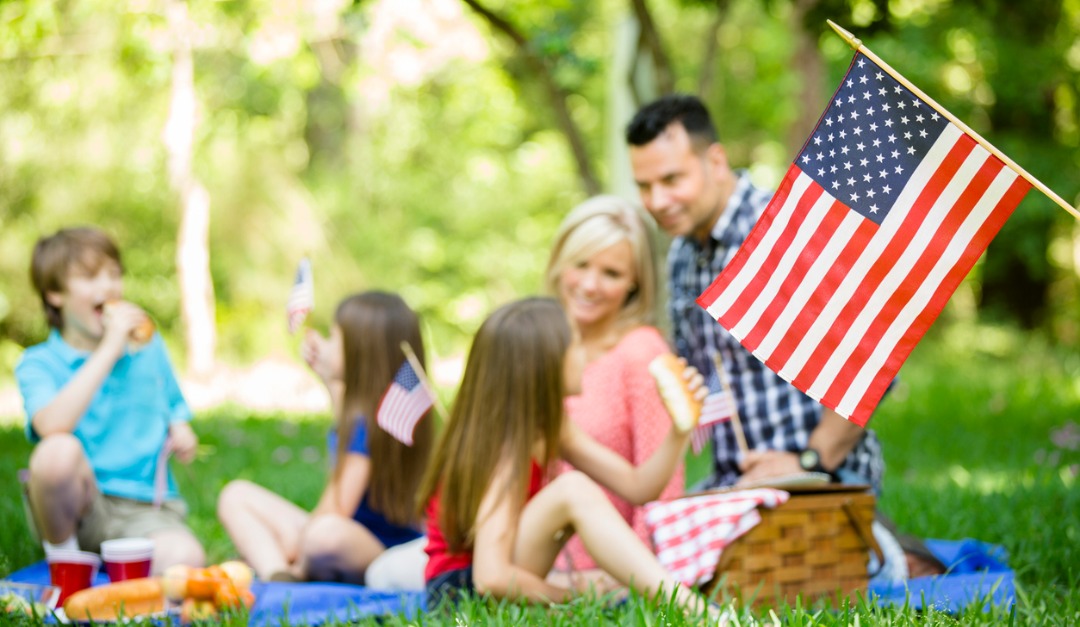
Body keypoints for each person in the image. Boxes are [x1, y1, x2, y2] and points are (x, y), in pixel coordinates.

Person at [625, 94, 884, 493]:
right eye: (645, 186)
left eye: (672, 180)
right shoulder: (681, 255)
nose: (657, 201)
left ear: (715, 161)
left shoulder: (787, 227)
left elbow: (872, 358)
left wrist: (806, 462)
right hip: (736, 483)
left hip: (825, 479)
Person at [417, 297, 716, 617]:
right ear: (544, 364)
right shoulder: (505, 446)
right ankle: (694, 610)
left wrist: (679, 431)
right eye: (575, 344)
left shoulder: (552, 427)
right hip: (459, 597)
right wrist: (574, 595)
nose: (585, 355)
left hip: (491, 578)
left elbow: (639, 486)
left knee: (576, 496)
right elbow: (490, 577)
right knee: (572, 489)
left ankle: (684, 603)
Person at [16, 227, 204, 573]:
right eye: (89, 277)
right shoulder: (39, 362)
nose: (108, 286)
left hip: (145, 510)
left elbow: (170, 400)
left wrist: (180, 426)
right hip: (77, 509)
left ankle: (121, 565)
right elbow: (51, 425)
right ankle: (67, 561)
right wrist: (109, 348)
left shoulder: (147, 346)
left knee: (186, 560)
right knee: (57, 451)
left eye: (114, 274)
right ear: (54, 294)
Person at [217, 291, 434, 583]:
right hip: (351, 533)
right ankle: (278, 574)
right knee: (236, 495)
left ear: (360, 350)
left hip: (380, 550)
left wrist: (297, 539)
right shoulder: (368, 407)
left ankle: (288, 569)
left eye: (334, 338)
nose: (327, 345)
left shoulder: (371, 424)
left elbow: (337, 508)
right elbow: (342, 407)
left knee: (323, 534)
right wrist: (325, 374)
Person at [543, 195, 682, 576]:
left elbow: (662, 488)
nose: (590, 285)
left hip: (608, 571)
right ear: (559, 262)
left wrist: (636, 579)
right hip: (530, 559)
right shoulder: (540, 346)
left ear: (635, 282)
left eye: (611, 273)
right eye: (581, 265)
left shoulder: (641, 351)